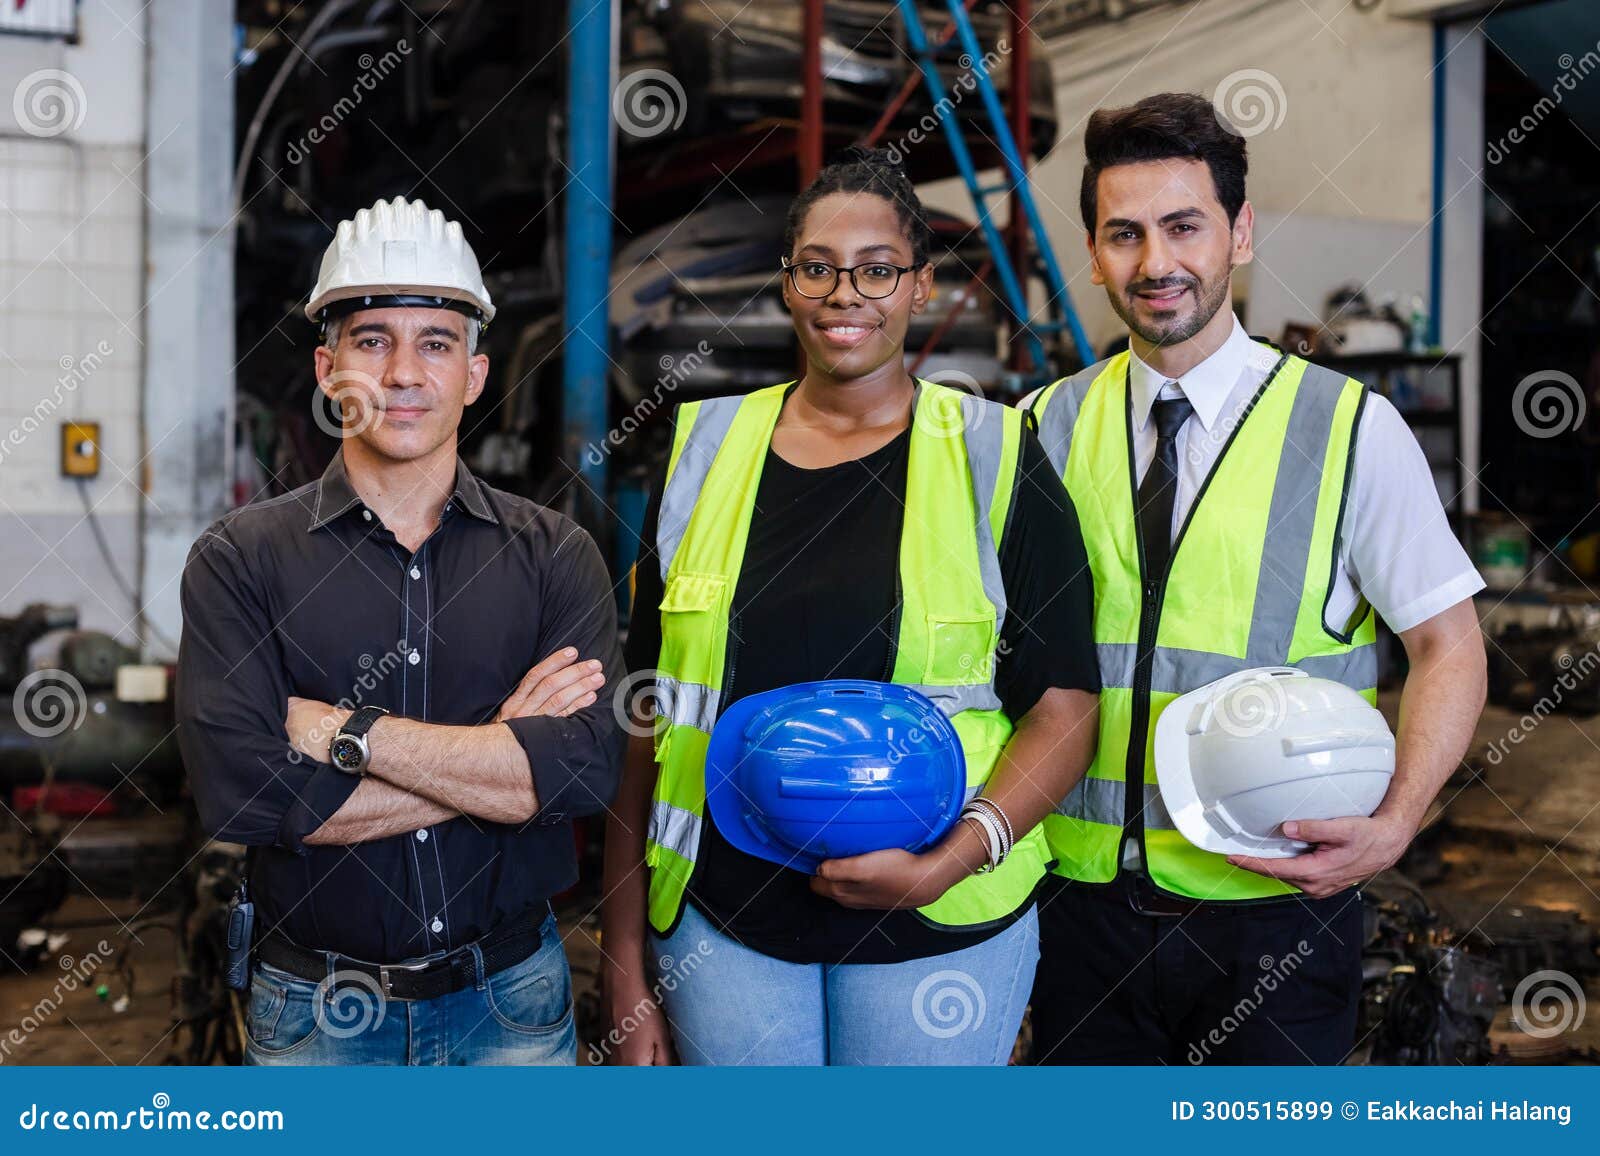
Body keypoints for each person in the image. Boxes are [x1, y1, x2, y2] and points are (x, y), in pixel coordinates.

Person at [601, 147, 1100, 1067]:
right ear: (789, 283)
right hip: (724, 927)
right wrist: (626, 959)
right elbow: (647, 720)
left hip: (940, 928)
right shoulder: (702, 450)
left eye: (877, 270)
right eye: (819, 267)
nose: (846, 294)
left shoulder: (996, 455)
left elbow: (1066, 708)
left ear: (918, 288)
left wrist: (948, 862)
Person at [1023, 94, 1488, 1065]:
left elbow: (1446, 645)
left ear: (1238, 233)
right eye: (1124, 234)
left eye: (1183, 226)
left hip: (1275, 914)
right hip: (1073, 913)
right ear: (1095, 250)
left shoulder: (1348, 428)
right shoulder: (1040, 428)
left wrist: (1398, 819)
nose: (1155, 263)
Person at [176, 197, 625, 1065]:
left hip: (512, 1007)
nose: (405, 373)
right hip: (316, 1017)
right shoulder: (240, 560)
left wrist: (341, 735)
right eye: (374, 340)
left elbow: (579, 775)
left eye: (437, 343)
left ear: (477, 373)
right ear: (327, 368)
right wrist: (500, 757)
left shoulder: (555, 555)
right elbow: (247, 795)